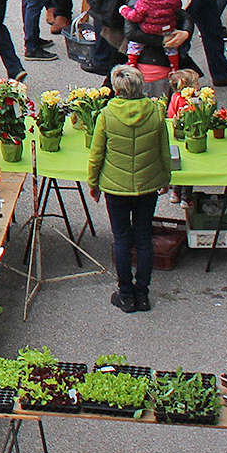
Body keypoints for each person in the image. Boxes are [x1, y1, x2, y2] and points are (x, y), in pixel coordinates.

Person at [86, 66, 174, 313]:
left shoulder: (106, 115)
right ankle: (142, 293)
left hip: (116, 188)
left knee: (122, 239)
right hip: (147, 186)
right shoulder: (156, 112)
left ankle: (125, 294)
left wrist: (94, 184)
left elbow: (96, 155)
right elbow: (164, 151)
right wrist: (165, 178)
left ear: (117, 89)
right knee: (144, 238)